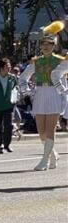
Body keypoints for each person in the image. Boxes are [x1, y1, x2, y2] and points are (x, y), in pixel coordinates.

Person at [19, 21, 68, 171]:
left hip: (54, 93)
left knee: (50, 129)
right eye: (43, 44)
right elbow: (23, 78)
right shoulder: (36, 62)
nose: (46, 46)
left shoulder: (61, 61)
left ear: (54, 46)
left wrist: (63, 91)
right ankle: (52, 155)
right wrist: (27, 92)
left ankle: (44, 161)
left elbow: (61, 78)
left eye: (49, 44)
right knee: (41, 132)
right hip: (39, 93)